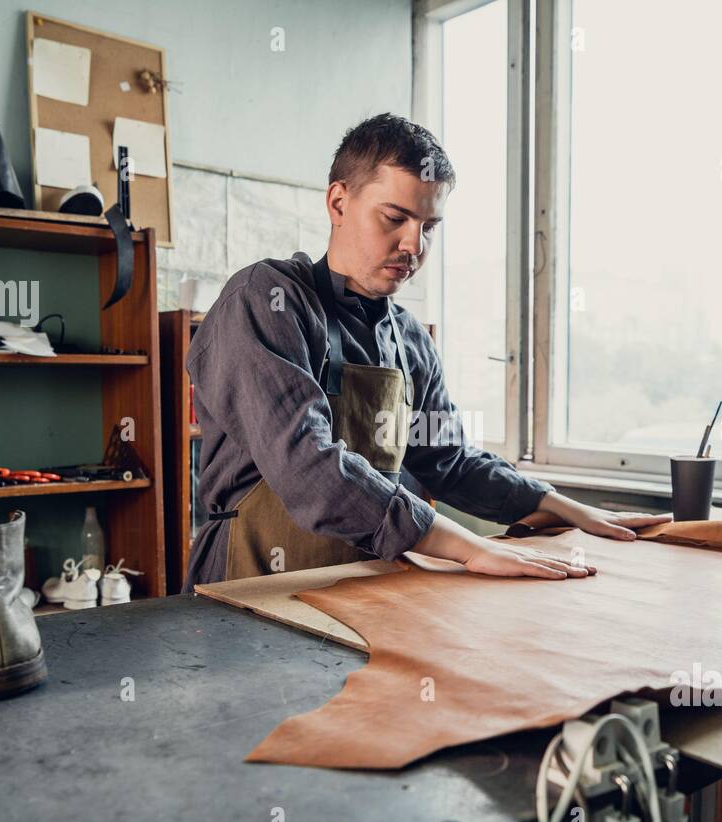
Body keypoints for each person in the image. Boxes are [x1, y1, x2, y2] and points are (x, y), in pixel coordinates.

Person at [183, 113, 668, 589]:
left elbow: (448, 461)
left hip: (361, 591)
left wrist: (561, 505)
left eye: (429, 226)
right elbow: (307, 466)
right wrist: (468, 546)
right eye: (395, 217)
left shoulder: (410, 337)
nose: (413, 244)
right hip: (248, 588)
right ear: (337, 202)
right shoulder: (267, 300)